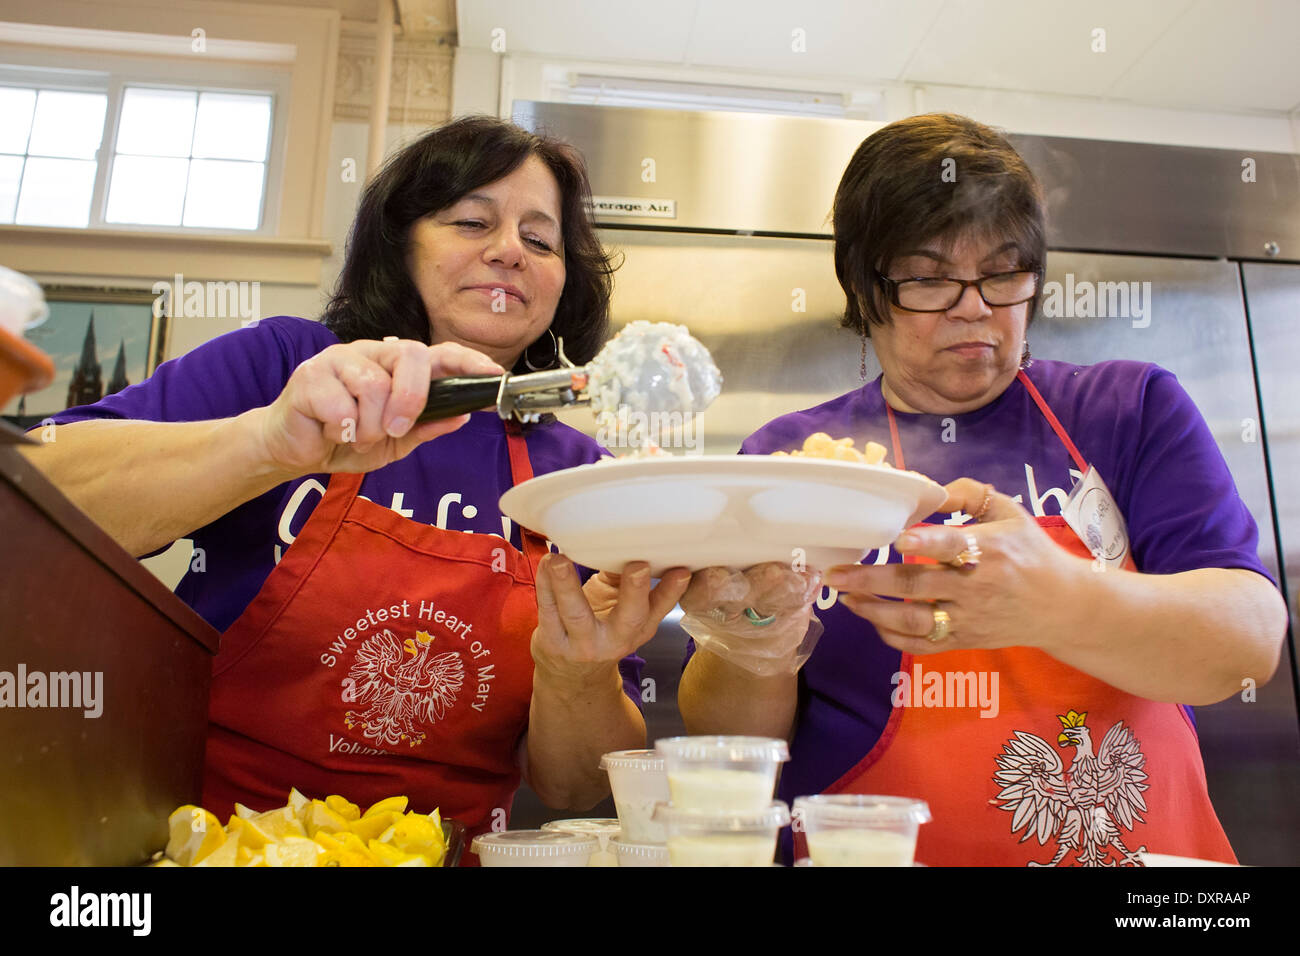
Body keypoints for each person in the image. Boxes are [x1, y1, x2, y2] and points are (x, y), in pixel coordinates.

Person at [21, 116, 690, 854]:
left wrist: (574, 672)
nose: (508, 251)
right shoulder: (287, 368)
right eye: (471, 220)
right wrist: (266, 443)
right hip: (189, 841)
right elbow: (37, 502)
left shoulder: (583, 479)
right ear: (399, 242)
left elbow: (569, 787)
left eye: (540, 239)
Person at [677, 113, 1288, 866]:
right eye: (930, 277)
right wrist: (754, 636)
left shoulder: (1130, 412)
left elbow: (1249, 644)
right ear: (868, 291)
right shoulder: (789, 460)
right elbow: (734, 744)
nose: (974, 307)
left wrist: (1059, 599)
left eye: (1001, 272)